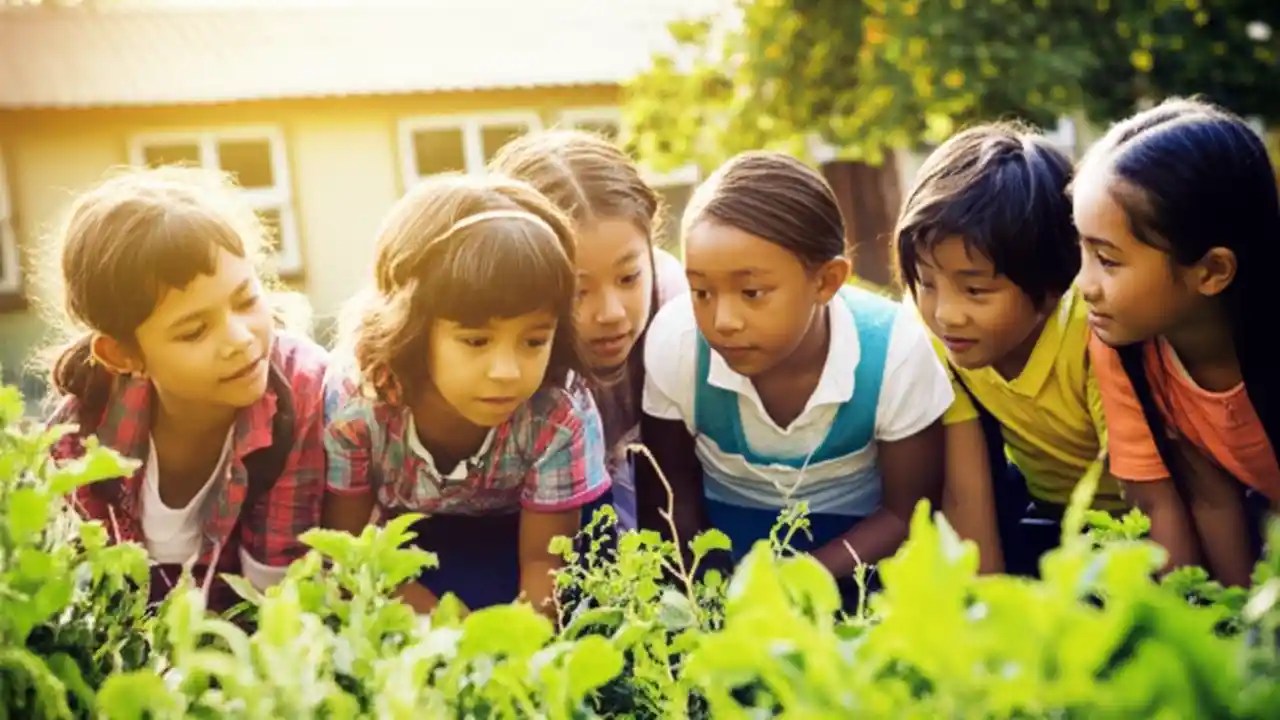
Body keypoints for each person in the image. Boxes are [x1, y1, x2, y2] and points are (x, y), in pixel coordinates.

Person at [639, 151, 951, 599]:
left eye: (752, 292)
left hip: (857, 569)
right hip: (719, 572)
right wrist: (718, 598)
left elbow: (906, 515)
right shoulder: (678, 343)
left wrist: (793, 585)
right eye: (701, 291)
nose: (723, 319)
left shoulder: (893, 352)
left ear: (826, 281)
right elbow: (670, 508)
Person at [322, 173, 610, 615]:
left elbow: (544, 563)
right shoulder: (357, 402)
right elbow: (352, 551)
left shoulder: (559, 411)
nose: (507, 371)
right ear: (413, 329)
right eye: (476, 341)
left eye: (534, 340)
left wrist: (518, 653)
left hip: (528, 528)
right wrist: (448, 636)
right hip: (404, 537)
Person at [45, 166, 328, 609]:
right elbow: (91, 606)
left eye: (247, 300)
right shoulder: (80, 439)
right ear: (124, 356)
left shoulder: (301, 391)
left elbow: (278, 592)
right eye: (195, 331)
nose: (239, 339)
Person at [894, 123, 1123, 576]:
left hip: (1140, 519)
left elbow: (1153, 487)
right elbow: (967, 491)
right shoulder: (938, 338)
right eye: (926, 283)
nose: (947, 314)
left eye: (976, 290)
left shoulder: (1094, 330)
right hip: (1051, 518)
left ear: (1051, 285)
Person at [1077, 98, 1280, 587]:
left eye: (1108, 260)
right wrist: (1237, 620)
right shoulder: (1125, 347)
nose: (1084, 284)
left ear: (1211, 271)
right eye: (1081, 249)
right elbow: (1210, 497)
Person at [490, 129, 688, 532]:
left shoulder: (677, 310)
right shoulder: (499, 352)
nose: (611, 313)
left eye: (629, 277)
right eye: (579, 291)